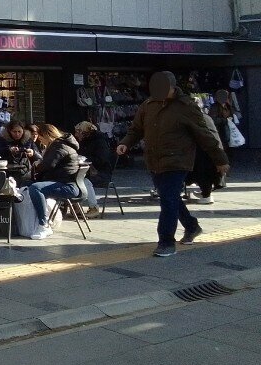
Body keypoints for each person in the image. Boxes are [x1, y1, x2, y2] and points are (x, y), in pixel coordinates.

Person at [117, 71, 229, 258]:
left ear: (172, 87)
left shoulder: (186, 106)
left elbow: (205, 135)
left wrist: (220, 159)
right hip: (154, 160)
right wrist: (125, 143)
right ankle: (192, 226)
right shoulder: (148, 104)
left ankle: (166, 242)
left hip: (178, 161)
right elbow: (136, 129)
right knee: (170, 198)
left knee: (168, 200)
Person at [26, 124, 81, 240]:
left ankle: (43, 224)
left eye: (41, 138)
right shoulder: (64, 144)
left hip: (67, 186)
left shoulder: (58, 146)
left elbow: (48, 165)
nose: (41, 141)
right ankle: (35, 222)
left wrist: (38, 164)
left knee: (36, 188)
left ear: (47, 135)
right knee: (26, 184)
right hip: (66, 182)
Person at [73, 121, 112, 219]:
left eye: (78, 132)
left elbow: (101, 160)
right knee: (74, 179)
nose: (76, 134)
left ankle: (93, 207)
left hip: (101, 172)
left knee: (84, 181)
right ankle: (77, 207)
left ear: (84, 132)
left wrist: (84, 159)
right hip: (88, 171)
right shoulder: (83, 141)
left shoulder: (100, 142)